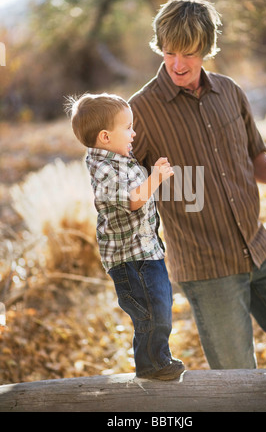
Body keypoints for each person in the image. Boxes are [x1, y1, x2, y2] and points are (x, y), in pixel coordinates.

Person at [129, 0, 266, 369]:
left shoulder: (230, 92)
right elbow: (123, 189)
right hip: (206, 267)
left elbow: (255, 157)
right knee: (236, 379)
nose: (177, 64)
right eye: (169, 51)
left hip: (258, 246)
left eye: (189, 53)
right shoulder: (138, 112)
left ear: (207, 48)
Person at [67, 92, 184, 380]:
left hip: (146, 251)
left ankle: (157, 359)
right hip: (130, 259)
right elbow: (133, 200)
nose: (134, 133)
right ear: (105, 137)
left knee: (160, 305)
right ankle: (153, 365)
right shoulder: (103, 168)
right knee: (149, 312)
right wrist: (154, 177)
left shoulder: (118, 158)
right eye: (128, 127)